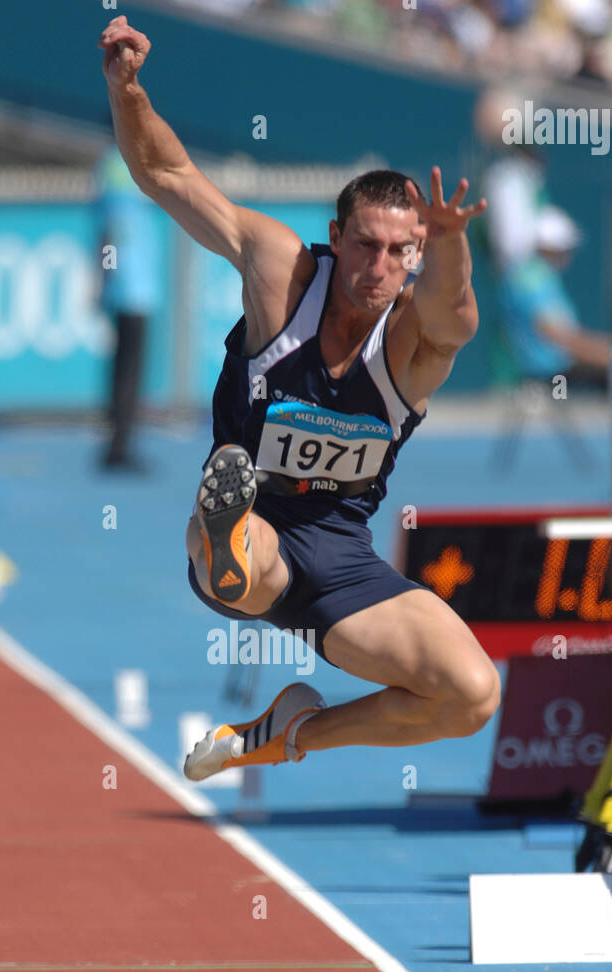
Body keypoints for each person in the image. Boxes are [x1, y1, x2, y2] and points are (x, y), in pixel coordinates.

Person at [99, 15, 501, 781]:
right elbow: (169, 176)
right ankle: (221, 536)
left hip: (345, 560)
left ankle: (279, 735)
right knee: (245, 568)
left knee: (469, 696)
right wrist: (128, 91)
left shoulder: (413, 338)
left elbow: (456, 318)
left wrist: (449, 243)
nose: (377, 266)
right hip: (260, 533)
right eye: (363, 244)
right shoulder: (282, 274)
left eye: (398, 252)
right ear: (335, 237)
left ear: (415, 258)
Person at [93, 144, 161, 467]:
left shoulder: (108, 166)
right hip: (136, 285)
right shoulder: (135, 161)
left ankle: (117, 441)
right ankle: (120, 446)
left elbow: (105, 229)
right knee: (130, 370)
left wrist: (102, 278)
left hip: (123, 283)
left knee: (120, 367)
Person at [495, 204, 612, 390]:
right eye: (565, 248)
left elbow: (563, 330)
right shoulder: (532, 279)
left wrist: (604, 347)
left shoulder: (538, 275)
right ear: (551, 247)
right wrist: (604, 355)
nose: (569, 254)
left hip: (555, 366)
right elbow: (553, 332)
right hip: (551, 374)